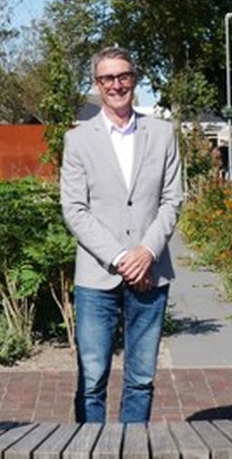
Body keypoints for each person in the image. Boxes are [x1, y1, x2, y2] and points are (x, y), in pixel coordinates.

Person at [60, 46, 184, 423]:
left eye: (123, 76)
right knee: (92, 380)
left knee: (142, 379)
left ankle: (132, 447)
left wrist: (146, 250)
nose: (116, 85)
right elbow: (74, 210)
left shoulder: (162, 133)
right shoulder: (78, 140)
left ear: (134, 79)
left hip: (151, 274)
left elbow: (173, 197)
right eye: (107, 78)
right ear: (97, 84)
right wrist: (120, 257)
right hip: (97, 278)